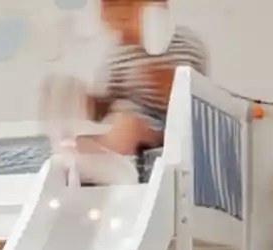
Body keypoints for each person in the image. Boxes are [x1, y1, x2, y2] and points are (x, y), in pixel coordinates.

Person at [89, 0, 209, 156]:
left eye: (128, 5)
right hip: (127, 129)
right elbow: (108, 102)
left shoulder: (183, 43)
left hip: (168, 129)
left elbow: (195, 100)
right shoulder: (117, 54)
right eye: (110, 6)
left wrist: (169, 87)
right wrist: (93, 104)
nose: (119, 13)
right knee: (102, 131)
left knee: (126, 127)